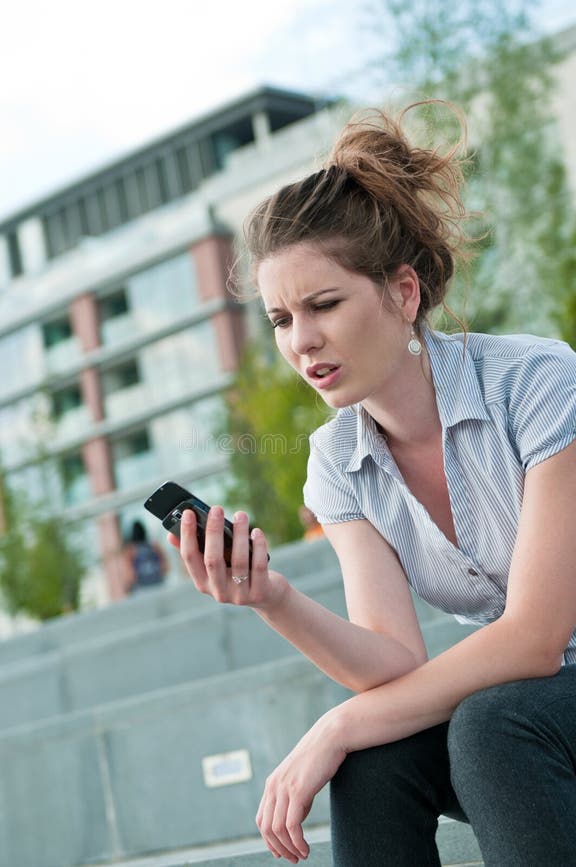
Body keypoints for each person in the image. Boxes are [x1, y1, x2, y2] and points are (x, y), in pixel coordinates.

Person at [168, 102, 576, 866]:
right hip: (528, 711)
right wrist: (270, 596)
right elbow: (393, 660)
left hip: (532, 701)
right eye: (281, 318)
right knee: (382, 755)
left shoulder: (540, 382)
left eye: (323, 305)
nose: (302, 342)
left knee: (484, 724)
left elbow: (536, 638)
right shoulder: (339, 459)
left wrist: (336, 724)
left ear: (404, 293)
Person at [123, 519, 167, 593]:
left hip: (142, 587)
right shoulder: (154, 546)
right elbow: (165, 566)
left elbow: (131, 575)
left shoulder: (131, 550)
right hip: (158, 582)